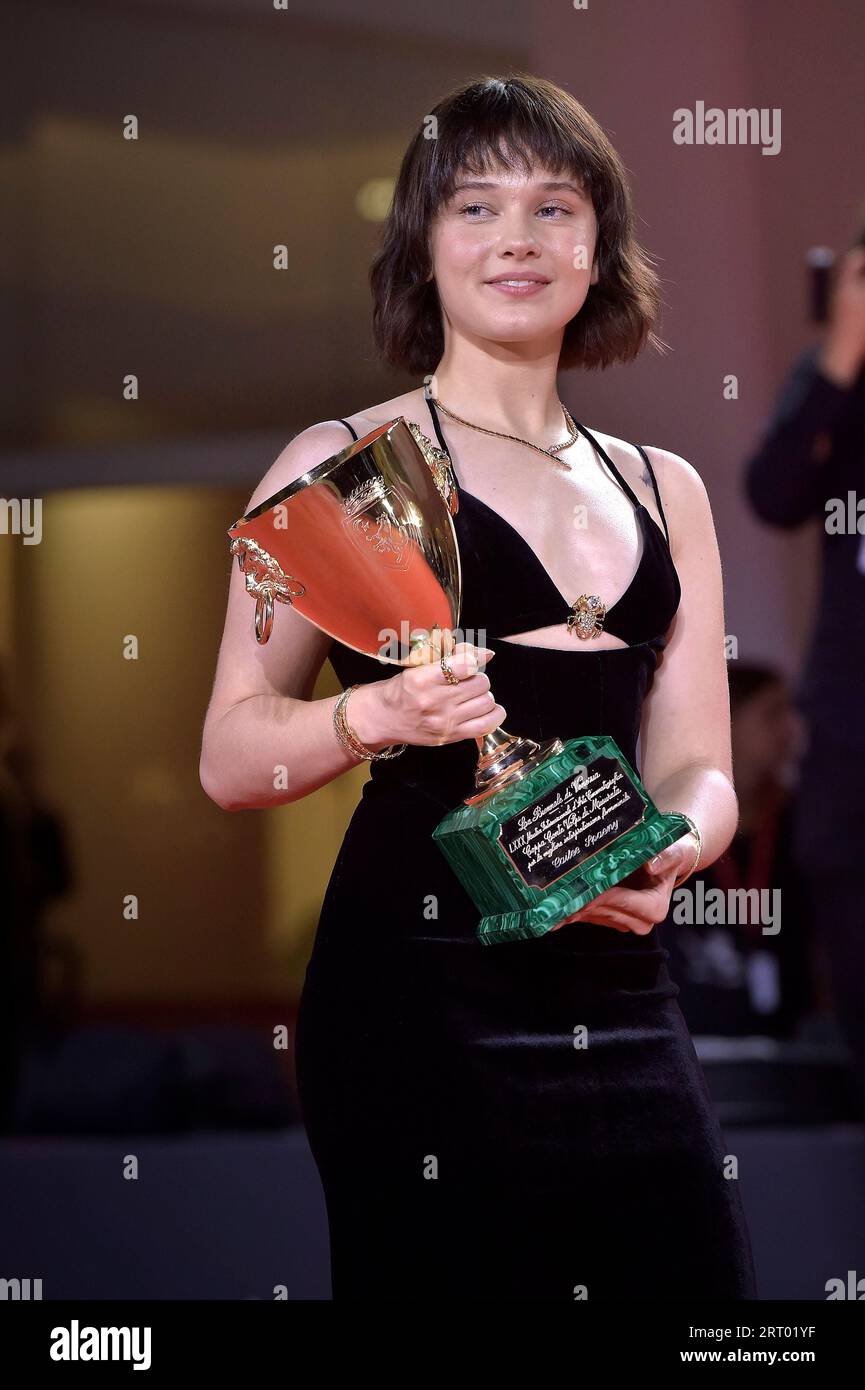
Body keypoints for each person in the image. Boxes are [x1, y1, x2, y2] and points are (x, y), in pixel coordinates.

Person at [200, 74, 757, 1300]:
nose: (519, 239)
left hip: (622, 989)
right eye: (476, 207)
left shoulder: (668, 490)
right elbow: (232, 759)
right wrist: (374, 716)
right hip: (416, 998)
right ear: (423, 244)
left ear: (598, 246)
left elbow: (699, 760)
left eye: (555, 208)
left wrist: (671, 844)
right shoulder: (344, 465)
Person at [744, 238, 865, 1107]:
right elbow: (771, 492)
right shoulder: (835, 385)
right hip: (850, 720)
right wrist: (841, 351)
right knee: (844, 893)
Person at [659, 663, 816, 1041]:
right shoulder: (675, 828)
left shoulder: (803, 823)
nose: (791, 730)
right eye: (772, 713)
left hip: (795, 1042)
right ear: (726, 721)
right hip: (697, 1038)